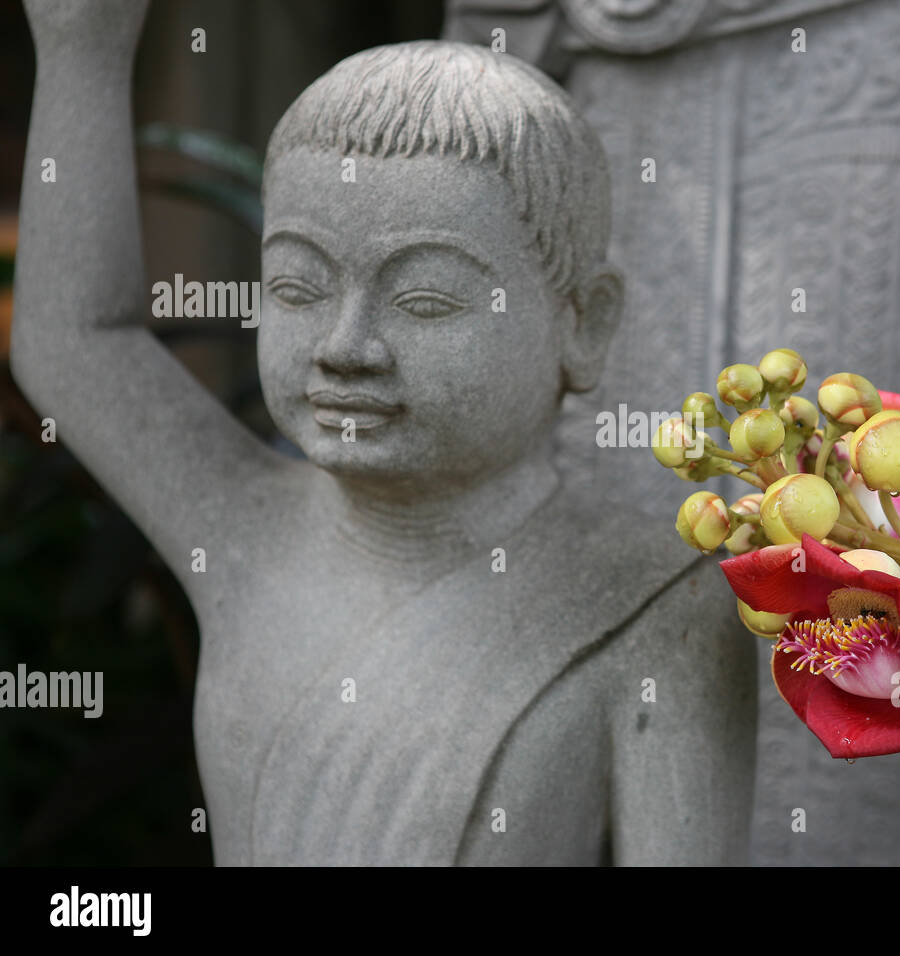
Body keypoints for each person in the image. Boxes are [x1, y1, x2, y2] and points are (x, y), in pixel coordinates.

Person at [12, 2, 755, 865]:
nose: (344, 348)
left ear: (582, 322)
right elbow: (76, 342)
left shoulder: (664, 607)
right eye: (298, 287)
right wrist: (81, 46)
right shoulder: (240, 528)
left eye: (424, 301)